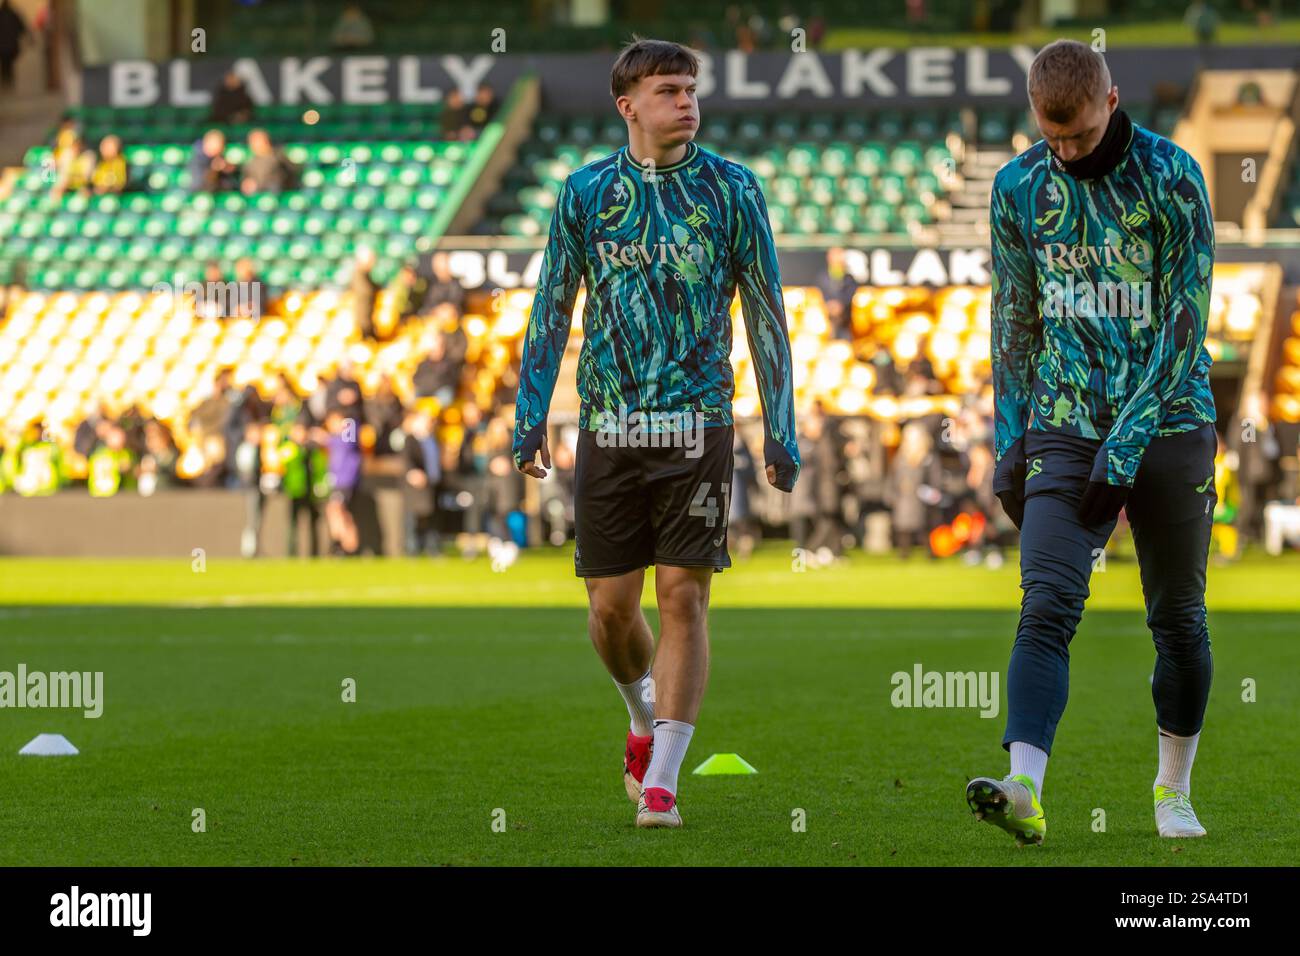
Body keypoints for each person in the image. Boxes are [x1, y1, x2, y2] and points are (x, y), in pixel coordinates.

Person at [512, 38, 799, 829]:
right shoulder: (584, 192)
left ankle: (666, 779)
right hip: (608, 425)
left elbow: (767, 311)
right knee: (609, 610)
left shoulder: (734, 190)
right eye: (668, 89)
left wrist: (782, 424)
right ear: (626, 105)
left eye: (691, 88)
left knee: (683, 598)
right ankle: (642, 718)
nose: (686, 101)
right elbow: (550, 307)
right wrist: (530, 410)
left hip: (700, 423)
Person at [973, 40, 1219, 847]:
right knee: (1045, 603)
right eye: (1053, 137)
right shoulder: (1016, 186)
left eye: (1077, 135)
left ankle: (1172, 790)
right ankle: (1024, 788)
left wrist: (1127, 448)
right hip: (1066, 423)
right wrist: (1010, 437)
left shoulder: (1174, 176)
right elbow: (1014, 318)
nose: (1067, 151)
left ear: (1111, 101)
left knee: (1177, 620)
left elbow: (1186, 325)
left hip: (1171, 421)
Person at [241, 128, 299, 194]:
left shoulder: (279, 156)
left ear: (266, 141)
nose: (253, 145)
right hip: (258, 196)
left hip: (278, 195)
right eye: (251, 142)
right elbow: (246, 179)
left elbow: (293, 172)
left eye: (256, 141)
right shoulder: (249, 162)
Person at [0, 0, 27, 93]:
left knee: (4, 63)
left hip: (2, 46)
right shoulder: (14, 14)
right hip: (12, 45)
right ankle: (9, 81)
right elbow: (22, 27)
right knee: (9, 64)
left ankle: (5, 81)